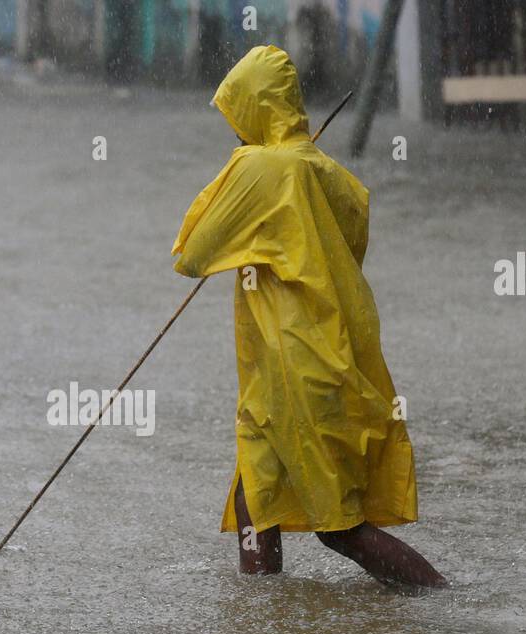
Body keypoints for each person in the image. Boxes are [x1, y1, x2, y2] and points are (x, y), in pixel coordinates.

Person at [171, 46, 446, 588]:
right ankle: (262, 616)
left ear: (254, 110)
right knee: (256, 495)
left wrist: (247, 173)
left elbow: (191, 255)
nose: (234, 132)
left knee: (339, 528)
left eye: (237, 117)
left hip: (293, 370)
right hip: (306, 364)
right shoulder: (329, 175)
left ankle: (442, 599)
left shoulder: (261, 168)